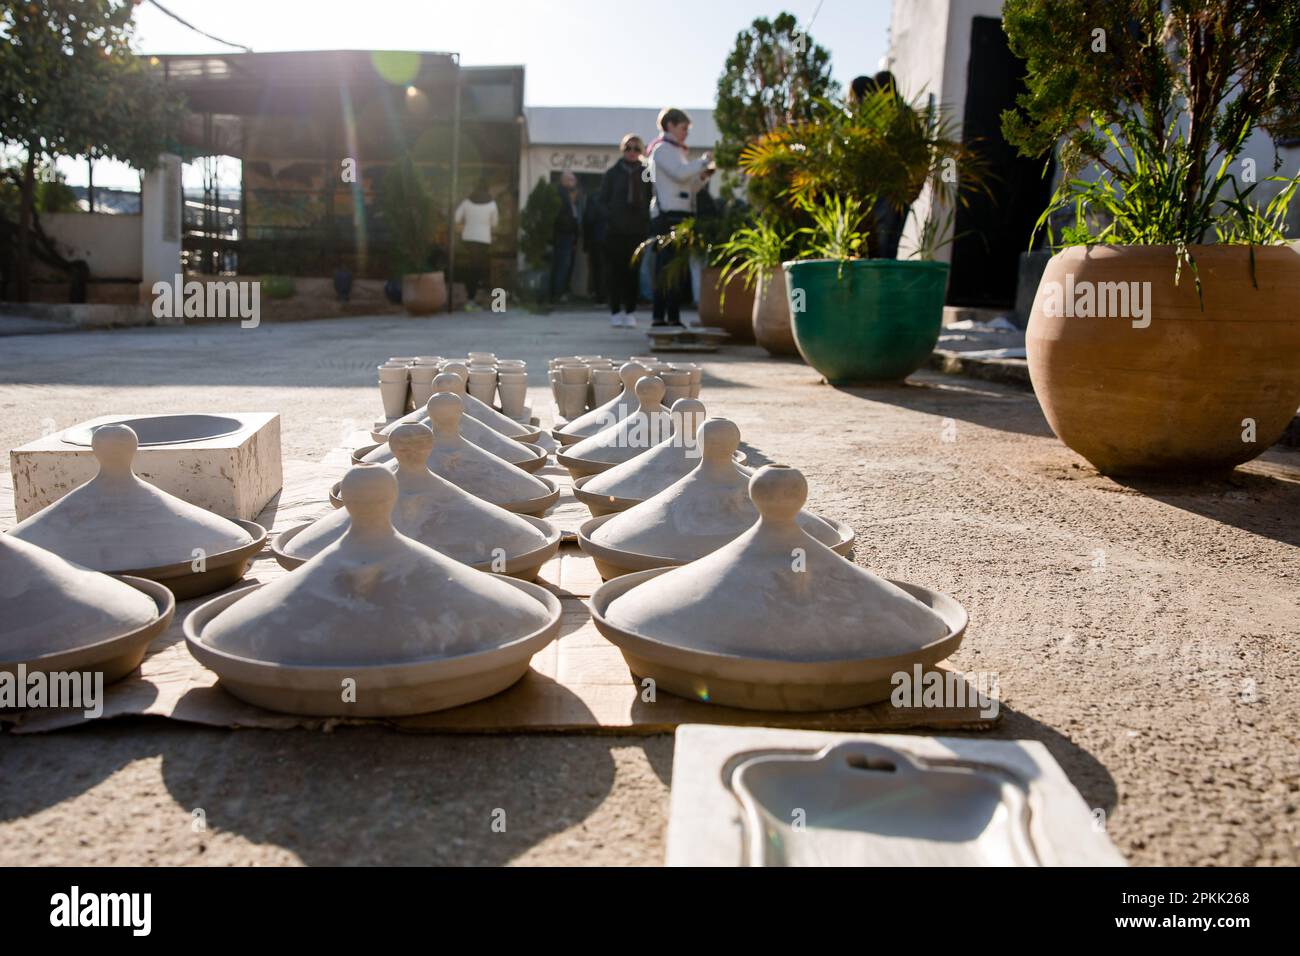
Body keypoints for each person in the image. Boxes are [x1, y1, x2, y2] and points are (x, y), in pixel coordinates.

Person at [645, 107, 713, 327]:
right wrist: (702, 162)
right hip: (666, 216)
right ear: (670, 125)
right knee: (664, 268)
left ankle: (673, 316)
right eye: (684, 128)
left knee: (678, 270)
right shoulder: (662, 149)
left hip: (681, 214)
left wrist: (702, 176)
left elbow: (688, 186)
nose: (686, 133)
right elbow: (679, 173)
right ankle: (659, 316)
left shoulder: (678, 151)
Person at [598, 134, 650, 328]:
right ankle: (615, 311)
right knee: (615, 272)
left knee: (633, 273)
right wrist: (611, 217)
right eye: (628, 148)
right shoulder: (613, 173)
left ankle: (630, 311)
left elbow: (651, 197)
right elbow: (602, 201)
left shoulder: (646, 172)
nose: (632, 152)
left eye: (636, 149)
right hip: (615, 231)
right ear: (622, 150)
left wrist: (646, 219)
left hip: (637, 231)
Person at [454, 177, 499, 306]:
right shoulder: (492, 204)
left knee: (471, 266)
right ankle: (472, 297)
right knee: (478, 267)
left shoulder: (466, 202)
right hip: (484, 238)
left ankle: (471, 296)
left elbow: (456, 218)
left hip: (468, 238)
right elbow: (495, 223)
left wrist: (467, 223)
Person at [550, 171, 583, 302]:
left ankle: (561, 291)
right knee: (563, 264)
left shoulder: (570, 196)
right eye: (571, 180)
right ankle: (558, 293)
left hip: (568, 234)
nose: (573, 183)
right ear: (564, 181)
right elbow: (562, 216)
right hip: (564, 234)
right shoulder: (561, 194)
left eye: (574, 180)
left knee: (565, 264)